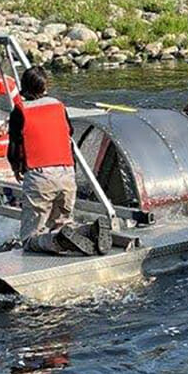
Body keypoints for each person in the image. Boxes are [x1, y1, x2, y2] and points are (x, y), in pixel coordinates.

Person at [8, 66, 111, 255]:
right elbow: (68, 132)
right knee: (63, 222)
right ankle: (88, 230)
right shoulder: (58, 106)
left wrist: (16, 168)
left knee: (30, 238)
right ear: (45, 85)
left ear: (24, 87)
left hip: (39, 175)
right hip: (67, 172)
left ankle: (59, 241)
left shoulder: (20, 111)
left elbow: (14, 147)